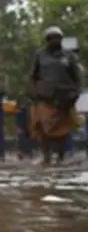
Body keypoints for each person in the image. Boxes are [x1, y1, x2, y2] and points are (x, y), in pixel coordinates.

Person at [28, 25, 82, 164]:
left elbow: (77, 78)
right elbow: (33, 76)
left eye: (58, 38)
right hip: (45, 98)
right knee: (43, 128)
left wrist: (75, 94)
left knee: (62, 130)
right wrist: (34, 92)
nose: (55, 40)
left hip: (65, 99)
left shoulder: (69, 56)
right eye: (52, 38)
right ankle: (46, 156)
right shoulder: (40, 56)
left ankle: (61, 157)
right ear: (47, 39)